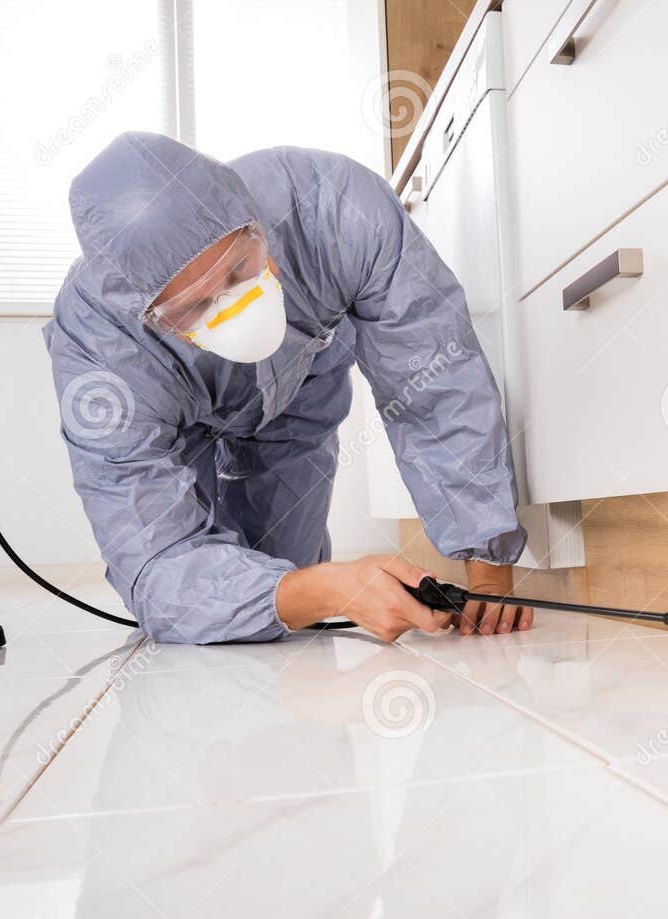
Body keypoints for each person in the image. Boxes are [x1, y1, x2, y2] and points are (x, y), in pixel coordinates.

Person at [44, 131, 532, 644]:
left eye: (240, 268)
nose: (234, 308)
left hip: (295, 400)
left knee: (285, 582)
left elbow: (434, 381)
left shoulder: (334, 209)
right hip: (179, 424)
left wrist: (488, 567)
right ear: (149, 318)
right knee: (224, 610)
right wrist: (328, 591)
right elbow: (156, 562)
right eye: (194, 306)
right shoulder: (100, 354)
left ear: (255, 223)